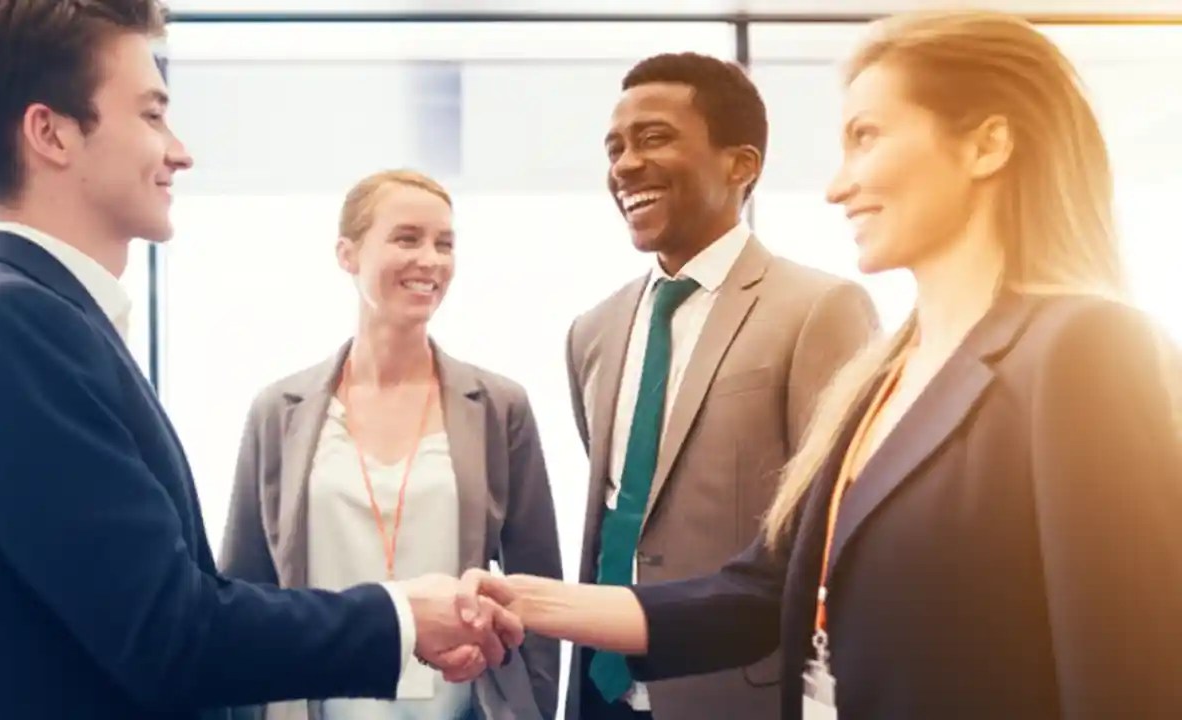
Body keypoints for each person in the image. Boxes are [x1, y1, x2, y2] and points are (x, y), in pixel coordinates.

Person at [461, 10, 1182, 720]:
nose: (837, 186)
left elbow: (1129, 677)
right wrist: (530, 602)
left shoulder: (1087, 349)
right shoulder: (883, 374)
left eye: (865, 137)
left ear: (987, 145)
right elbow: (766, 595)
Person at [0, 3, 518, 719]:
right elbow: (171, 634)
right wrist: (404, 617)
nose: (179, 151)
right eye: (152, 114)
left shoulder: (33, 319)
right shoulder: (9, 327)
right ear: (51, 133)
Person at [562, 52, 878, 720]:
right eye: (614, 148)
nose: (623, 166)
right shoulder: (592, 331)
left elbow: (835, 537)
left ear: (742, 165)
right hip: (601, 693)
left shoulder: (819, 310)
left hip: (739, 692)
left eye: (653, 139)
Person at [219, 169, 563, 720]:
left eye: (444, 244)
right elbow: (241, 589)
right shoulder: (278, 412)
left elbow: (541, 597)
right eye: (407, 238)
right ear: (347, 254)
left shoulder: (499, 407)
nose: (430, 259)